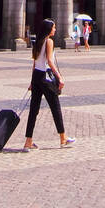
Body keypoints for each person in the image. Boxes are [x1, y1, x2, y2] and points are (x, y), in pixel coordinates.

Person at [22, 19, 74, 149]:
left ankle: (28, 141)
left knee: (33, 110)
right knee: (55, 108)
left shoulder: (37, 42)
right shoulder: (49, 41)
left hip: (37, 77)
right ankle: (63, 138)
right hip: (46, 78)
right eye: (54, 27)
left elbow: (35, 63)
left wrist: (32, 82)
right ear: (49, 29)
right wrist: (59, 77)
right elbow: (50, 61)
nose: (55, 30)